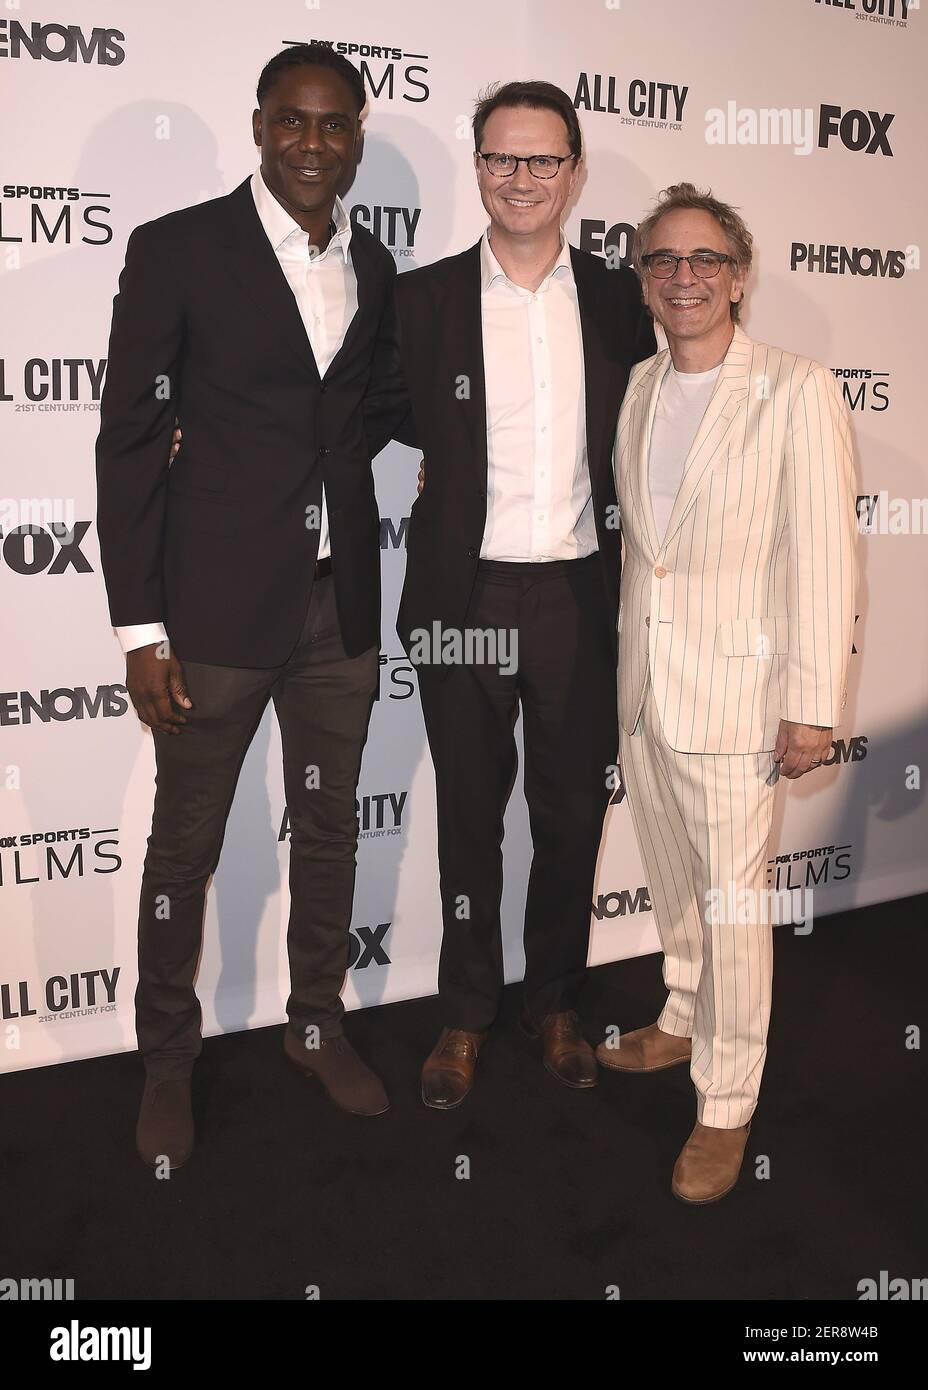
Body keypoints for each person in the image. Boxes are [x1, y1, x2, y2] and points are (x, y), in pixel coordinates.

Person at [96, 45, 407, 1169]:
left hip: (339, 610)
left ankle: (314, 1021)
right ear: (261, 126)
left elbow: (356, 416)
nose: (313, 145)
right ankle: (167, 1061)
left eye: (333, 125)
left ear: (358, 132)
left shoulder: (373, 262)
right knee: (186, 845)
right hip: (213, 615)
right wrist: (142, 628)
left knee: (327, 830)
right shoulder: (179, 248)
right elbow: (129, 437)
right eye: (293, 123)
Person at [393, 82, 655, 1109]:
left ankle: (553, 1001)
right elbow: (357, 414)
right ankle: (465, 1011)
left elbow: (671, 422)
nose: (522, 179)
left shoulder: (623, 300)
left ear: (575, 171)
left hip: (580, 603)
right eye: (502, 158)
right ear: (478, 167)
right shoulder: (422, 301)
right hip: (464, 601)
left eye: (543, 160)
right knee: (467, 814)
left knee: (568, 815)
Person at [599, 183, 858, 1202]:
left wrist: (809, 701)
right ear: (644, 282)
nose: (682, 277)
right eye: (662, 261)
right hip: (648, 692)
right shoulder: (635, 385)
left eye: (704, 259)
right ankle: (678, 1013)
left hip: (744, 698)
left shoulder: (795, 387)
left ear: (739, 275)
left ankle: (724, 1101)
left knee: (733, 902)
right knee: (672, 878)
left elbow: (825, 556)